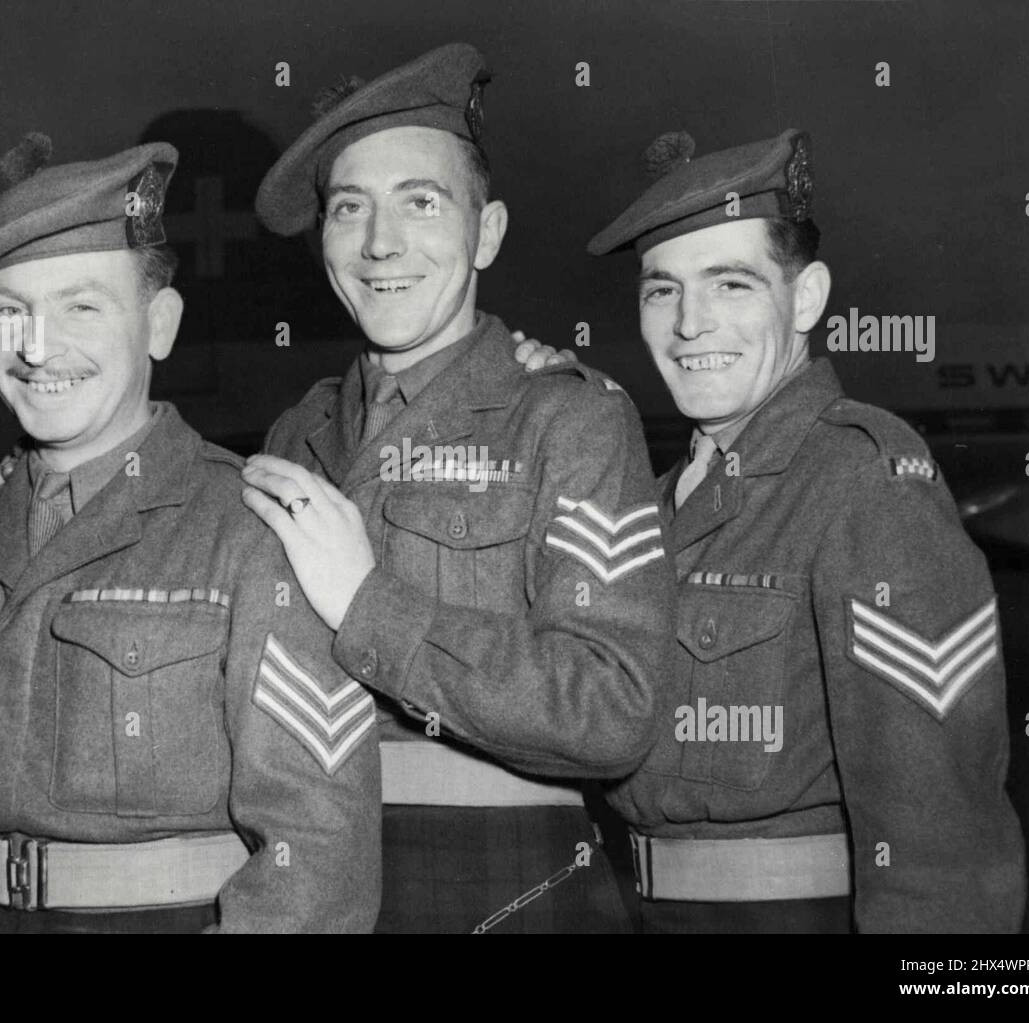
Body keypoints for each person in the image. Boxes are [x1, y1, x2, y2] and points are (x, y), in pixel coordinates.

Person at [0, 135, 381, 933]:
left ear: (159, 324)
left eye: (81, 307)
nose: (37, 347)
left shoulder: (252, 534)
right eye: (11, 313)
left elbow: (320, 856)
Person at [529, 128, 1026, 932]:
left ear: (805, 296)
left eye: (730, 284)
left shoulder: (864, 481)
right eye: (662, 290)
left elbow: (944, 837)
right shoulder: (654, 501)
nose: (691, 324)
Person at [241, 43, 675, 933]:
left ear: (487, 232)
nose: (380, 243)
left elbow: (613, 706)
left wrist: (371, 608)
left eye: (421, 203)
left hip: (502, 878)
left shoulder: (567, 421)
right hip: (295, 888)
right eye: (349, 208)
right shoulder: (298, 433)